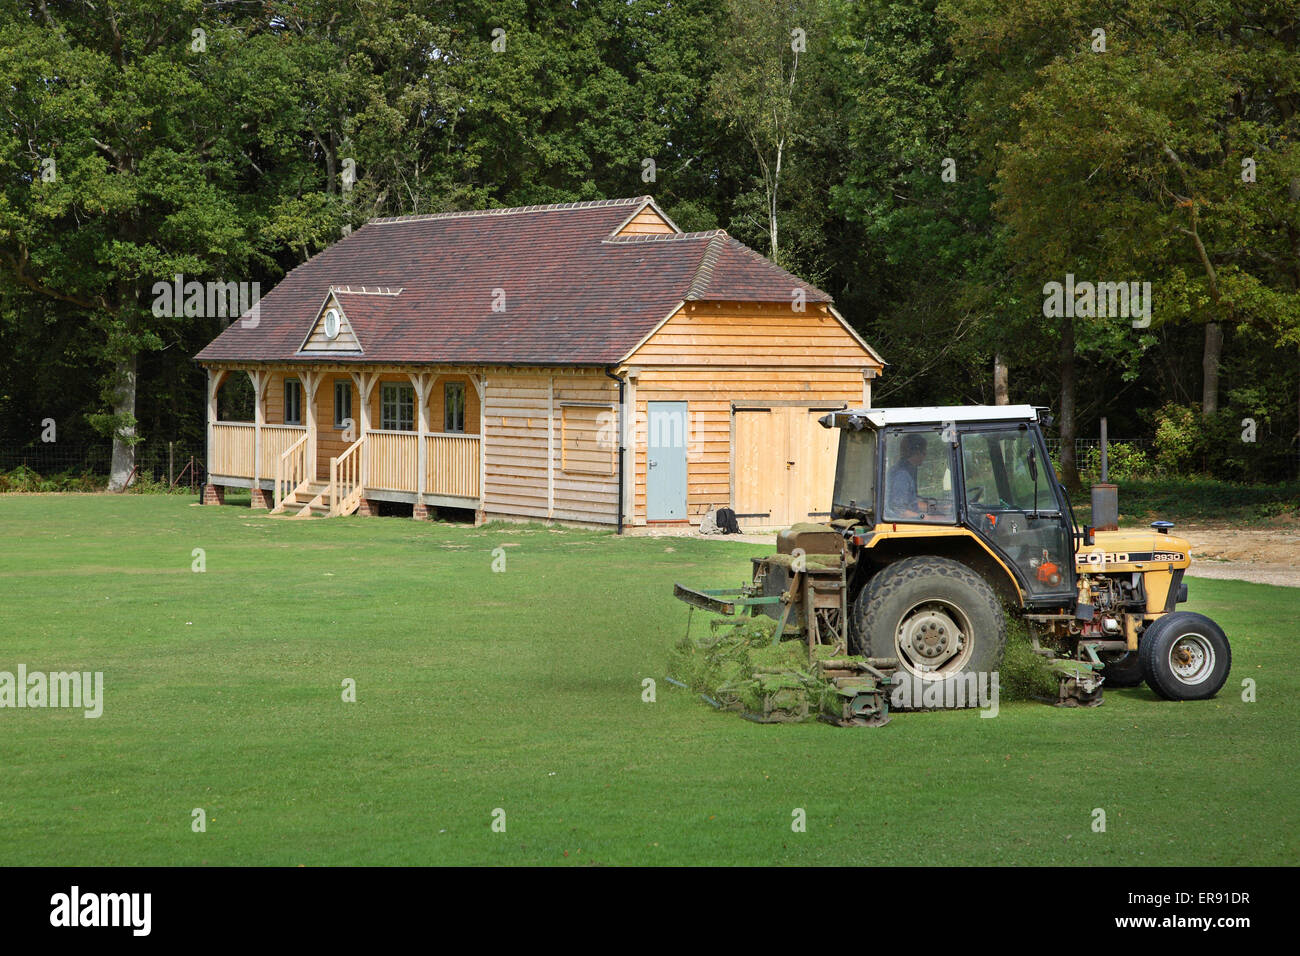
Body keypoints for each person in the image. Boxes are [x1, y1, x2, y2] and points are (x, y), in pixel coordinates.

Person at [888, 433, 931, 519]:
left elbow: (912, 502)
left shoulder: (909, 470)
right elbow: (899, 510)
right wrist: (925, 517)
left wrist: (941, 507)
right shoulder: (902, 475)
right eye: (924, 452)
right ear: (918, 452)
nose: (925, 455)